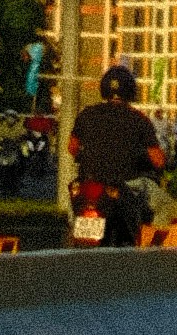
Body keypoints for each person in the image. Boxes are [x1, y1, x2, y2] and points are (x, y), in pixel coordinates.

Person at [68, 60, 162, 232]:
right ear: (131, 91)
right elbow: (158, 160)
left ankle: (73, 229)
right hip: (127, 182)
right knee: (163, 203)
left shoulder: (86, 114)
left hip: (90, 181)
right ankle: (157, 253)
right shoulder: (139, 119)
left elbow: (72, 147)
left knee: (74, 199)